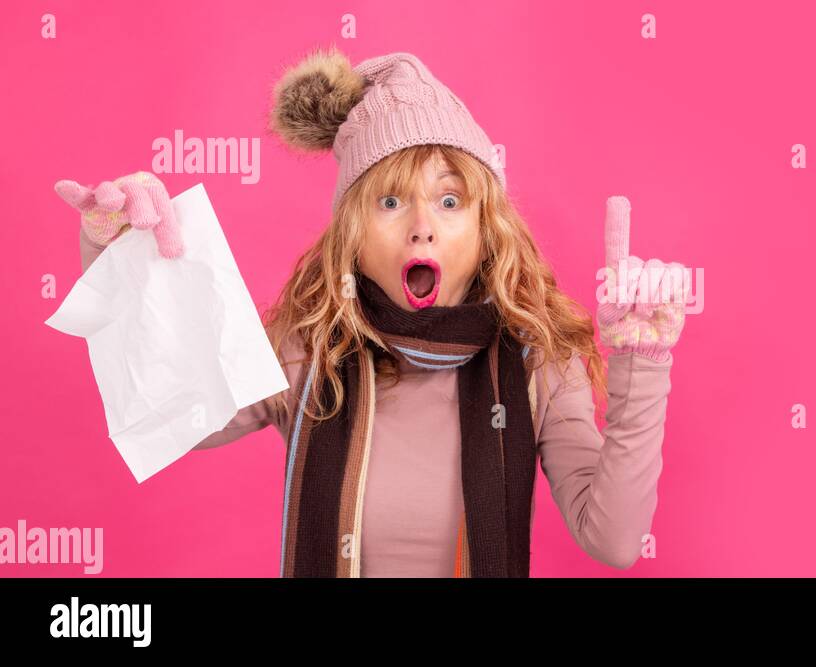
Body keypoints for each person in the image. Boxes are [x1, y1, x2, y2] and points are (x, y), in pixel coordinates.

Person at [54, 48, 687, 578]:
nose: (422, 228)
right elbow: (175, 406)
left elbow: (614, 538)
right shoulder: (307, 353)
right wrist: (121, 254)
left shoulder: (537, 367)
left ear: (486, 228)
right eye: (390, 201)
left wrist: (641, 365)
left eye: (448, 199)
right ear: (352, 232)